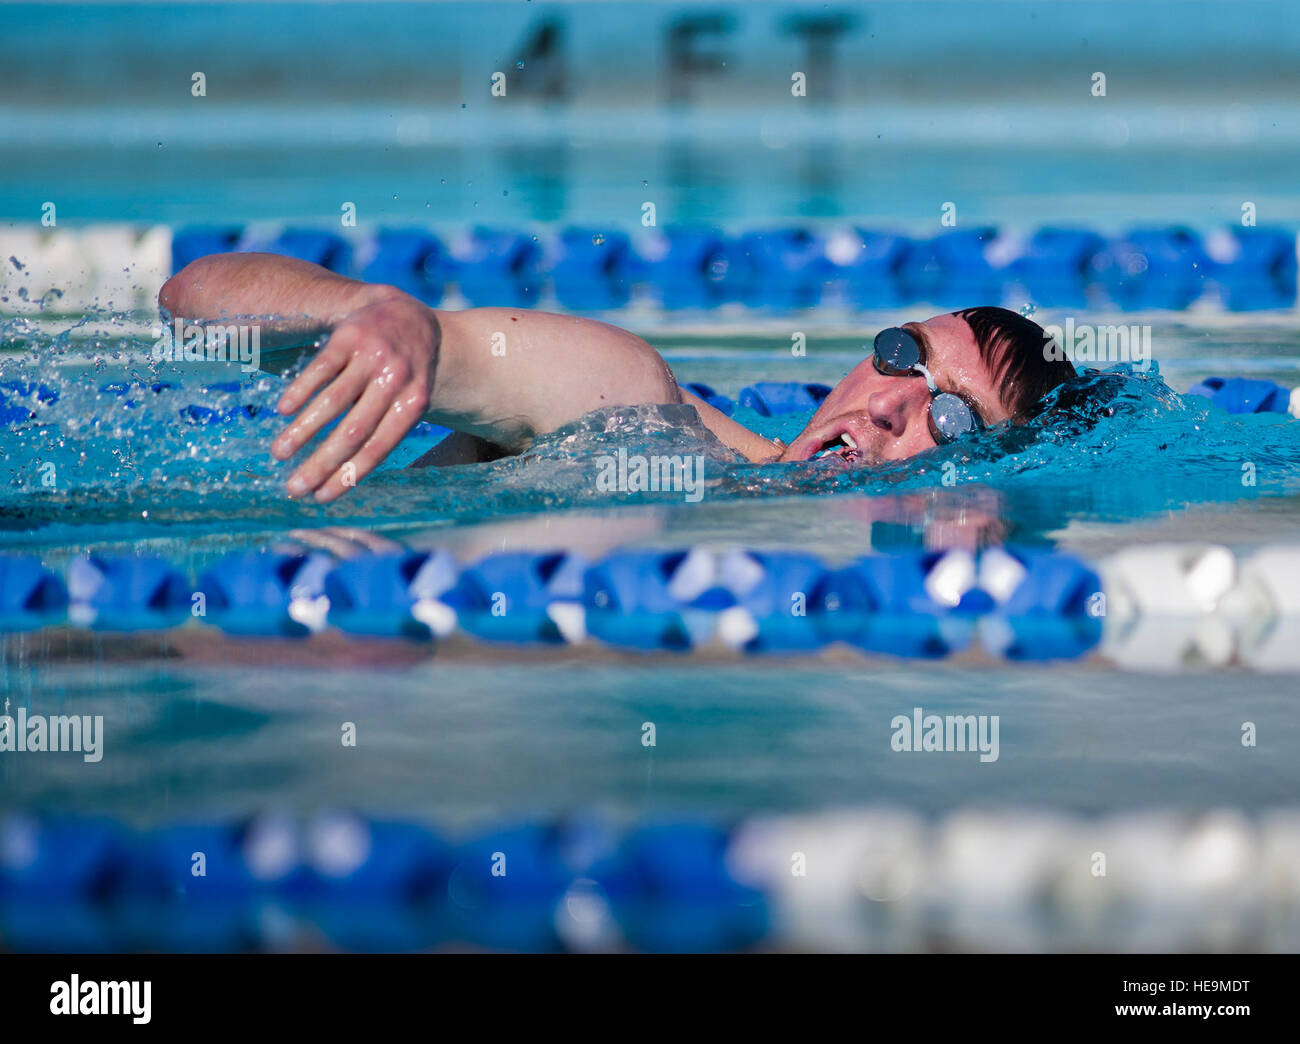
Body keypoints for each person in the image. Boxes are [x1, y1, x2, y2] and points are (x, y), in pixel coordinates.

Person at [159, 252, 1077, 503]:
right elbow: (193, 297)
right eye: (901, 353)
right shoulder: (634, 402)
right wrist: (367, 307)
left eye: (948, 420)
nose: (884, 403)